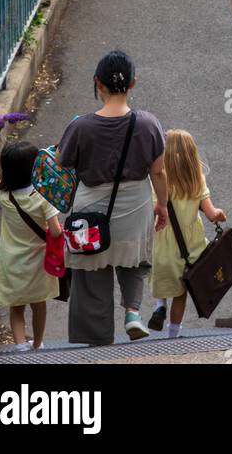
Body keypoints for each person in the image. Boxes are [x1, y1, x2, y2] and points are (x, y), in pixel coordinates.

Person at [56, 49, 168, 346]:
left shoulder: (80, 126)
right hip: (135, 207)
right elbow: (158, 172)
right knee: (134, 260)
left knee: (92, 272)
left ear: (98, 83)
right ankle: (133, 313)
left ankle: (99, 342)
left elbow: (61, 163)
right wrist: (163, 205)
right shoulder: (148, 124)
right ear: (133, 83)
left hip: (90, 210)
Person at [0, 138, 62, 352]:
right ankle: (38, 344)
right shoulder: (42, 196)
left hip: (12, 263)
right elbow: (57, 230)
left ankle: (20, 345)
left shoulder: (3, 195)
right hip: (38, 264)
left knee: (17, 307)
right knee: (39, 306)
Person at [149, 129, 227, 338]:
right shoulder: (197, 180)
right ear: (192, 154)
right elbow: (212, 214)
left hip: (163, 247)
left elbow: (152, 210)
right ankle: (173, 334)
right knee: (181, 292)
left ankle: (159, 306)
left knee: (164, 281)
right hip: (190, 248)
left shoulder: (159, 181)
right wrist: (220, 215)